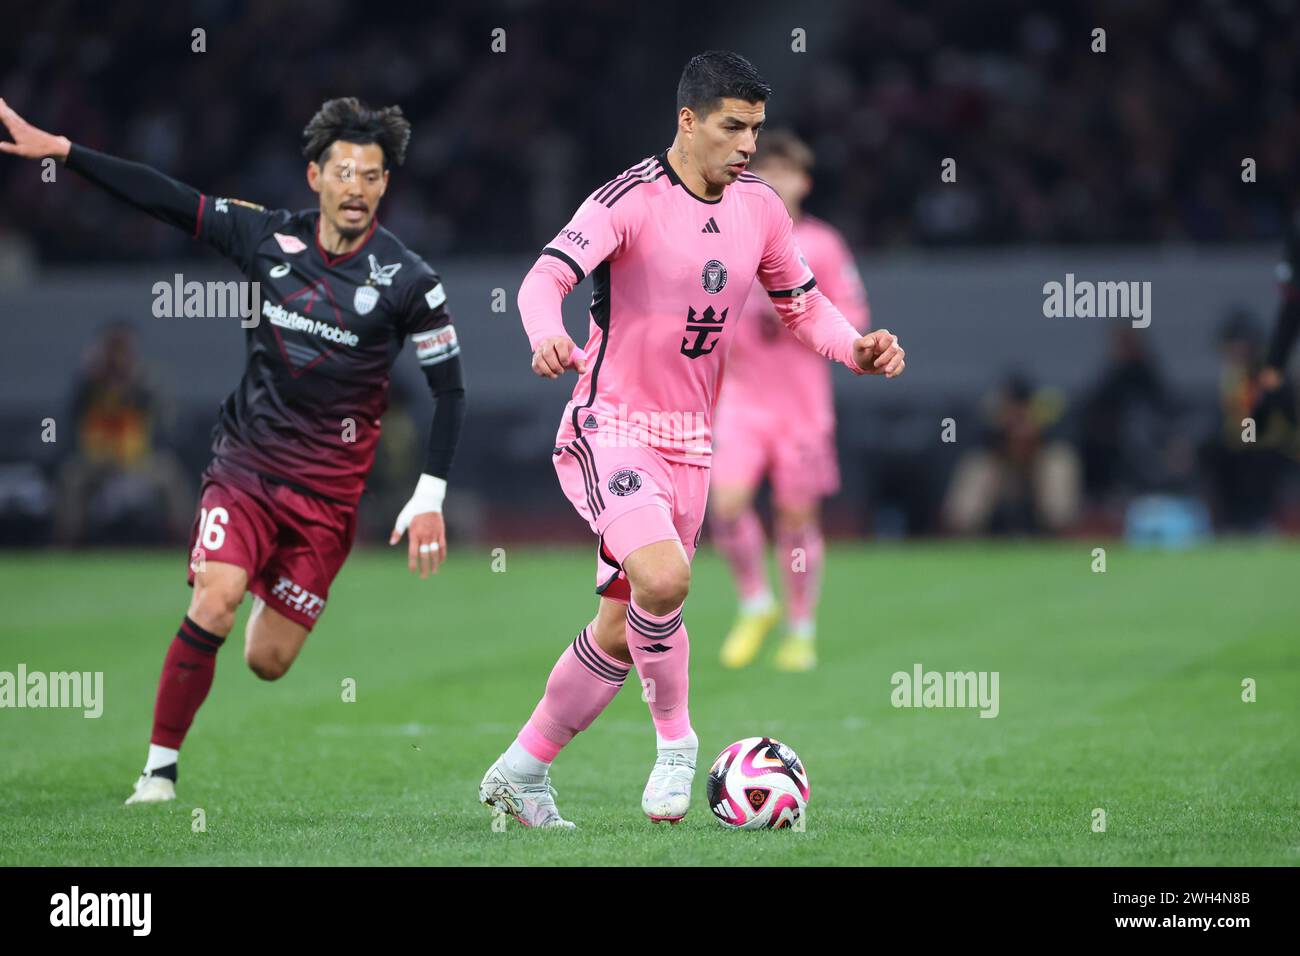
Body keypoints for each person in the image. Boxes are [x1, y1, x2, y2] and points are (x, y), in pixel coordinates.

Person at [480, 52, 905, 828]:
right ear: (688, 121)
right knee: (667, 581)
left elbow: (804, 305)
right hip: (609, 423)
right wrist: (545, 335)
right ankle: (677, 748)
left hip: (691, 441)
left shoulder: (761, 208)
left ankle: (522, 771)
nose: (747, 145)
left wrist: (858, 349)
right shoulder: (629, 199)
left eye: (756, 129)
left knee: (619, 626)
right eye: (733, 127)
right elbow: (544, 279)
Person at [0, 96, 467, 803]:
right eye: (343, 171)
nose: (356, 187)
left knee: (267, 662)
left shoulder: (410, 283)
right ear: (315, 176)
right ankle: (158, 770)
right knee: (214, 601)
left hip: (327, 500)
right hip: (245, 469)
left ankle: (259, 583)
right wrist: (65, 151)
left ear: (384, 186)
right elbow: (168, 199)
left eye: (371, 176)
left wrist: (428, 494)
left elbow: (450, 393)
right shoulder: (265, 239)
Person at [708, 130, 870, 673]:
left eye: (786, 172)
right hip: (741, 402)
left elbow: (852, 319)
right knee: (727, 506)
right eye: (764, 170)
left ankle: (801, 628)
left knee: (796, 518)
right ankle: (756, 603)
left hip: (802, 407)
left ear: (804, 182)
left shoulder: (822, 244)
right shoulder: (727, 234)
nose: (773, 180)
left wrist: (799, 313)